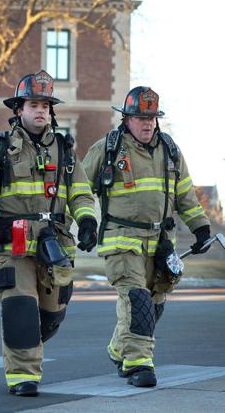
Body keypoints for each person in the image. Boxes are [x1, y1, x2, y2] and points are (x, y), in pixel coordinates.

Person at [0, 70, 97, 397]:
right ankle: (23, 376)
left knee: (50, 316)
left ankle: (27, 344)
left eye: (45, 105)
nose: (40, 111)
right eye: (33, 104)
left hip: (56, 247)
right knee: (20, 309)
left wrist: (87, 221)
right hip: (15, 246)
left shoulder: (65, 150)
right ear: (19, 109)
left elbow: (81, 193)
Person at [82, 86, 211, 388]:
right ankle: (139, 364)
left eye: (152, 118)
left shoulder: (171, 150)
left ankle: (119, 349)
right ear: (126, 119)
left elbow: (186, 196)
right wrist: (84, 222)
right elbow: (78, 190)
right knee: (136, 299)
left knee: (153, 305)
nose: (148, 124)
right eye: (141, 118)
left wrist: (201, 227)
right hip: (121, 240)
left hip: (161, 242)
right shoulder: (107, 149)